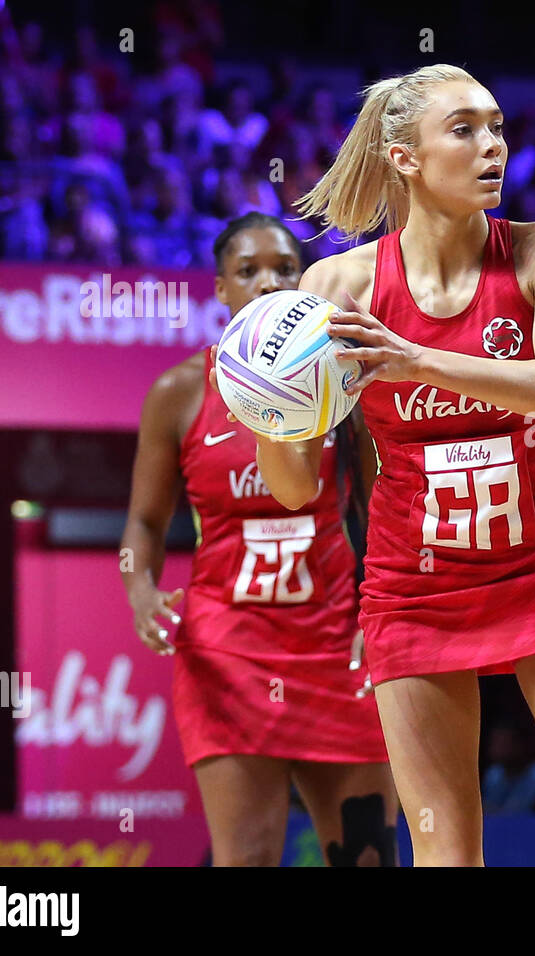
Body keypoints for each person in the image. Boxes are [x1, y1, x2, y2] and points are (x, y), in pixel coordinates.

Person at [247, 64, 535, 866]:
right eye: (464, 128)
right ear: (405, 157)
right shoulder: (340, 284)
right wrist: (268, 406)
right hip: (416, 590)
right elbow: (296, 486)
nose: (492, 146)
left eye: (498, 126)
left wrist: (413, 359)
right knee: (445, 855)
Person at [122, 212, 396, 866]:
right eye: (249, 271)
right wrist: (139, 589)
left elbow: (386, 500)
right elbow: (145, 521)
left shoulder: (343, 379)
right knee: (245, 857)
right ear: (221, 290)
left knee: (369, 857)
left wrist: (385, 606)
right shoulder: (179, 393)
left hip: (336, 643)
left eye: (284, 269)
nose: (269, 282)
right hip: (228, 651)